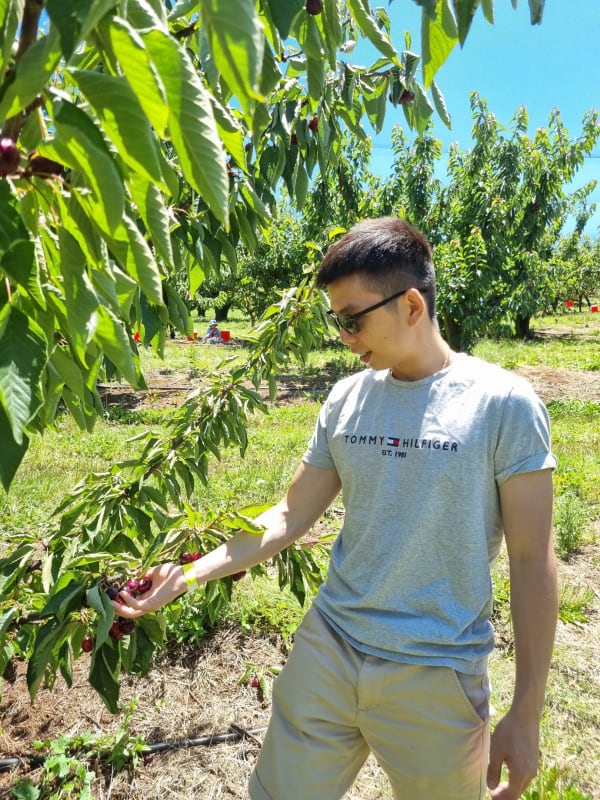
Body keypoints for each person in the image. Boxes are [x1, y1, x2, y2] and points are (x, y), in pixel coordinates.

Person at [113, 218, 558, 800]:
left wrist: (526, 714)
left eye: (354, 320)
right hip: (330, 648)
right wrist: (188, 574)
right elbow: (290, 516)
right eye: (336, 321)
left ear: (413, 305)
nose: (343, 337)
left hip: (436, 670)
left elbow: (531, 561)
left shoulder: (504, 404)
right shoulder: (348, 399)